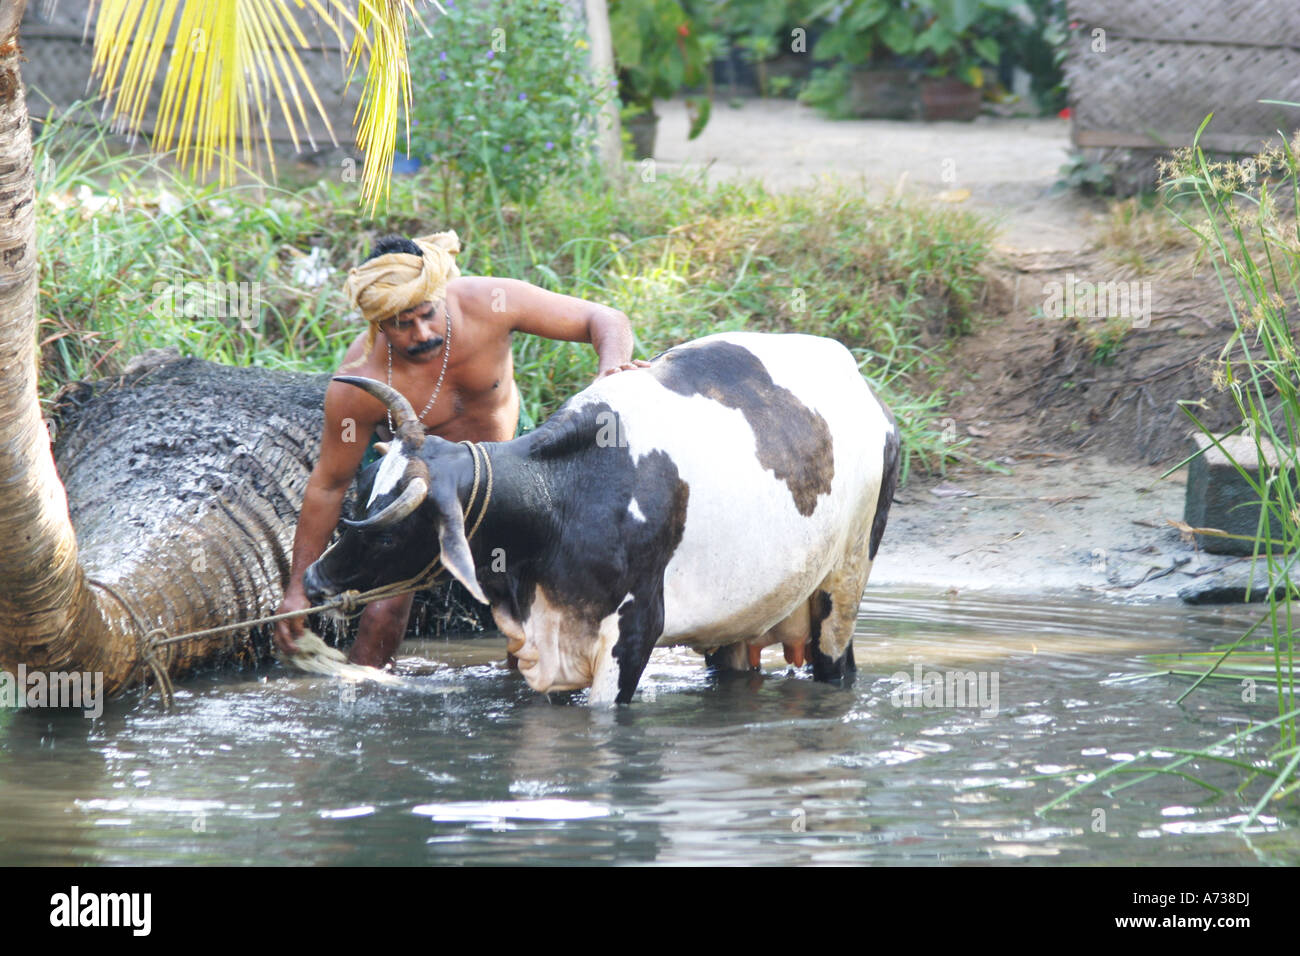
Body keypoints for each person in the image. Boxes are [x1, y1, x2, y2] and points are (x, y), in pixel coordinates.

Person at [273, 231, 646, 666]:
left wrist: (612, 371)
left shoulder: (490, 301)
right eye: (401, 324)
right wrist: (297, 588)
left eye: (427, 314)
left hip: (508, 469)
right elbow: (328, 486)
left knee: (526, 607)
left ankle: (523, 708)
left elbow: (603, 319)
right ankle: (364, 705)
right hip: (420, 486)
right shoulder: (359, 383)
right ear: (377, 323)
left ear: (439, 295)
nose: (421, 332)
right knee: (383, 610)